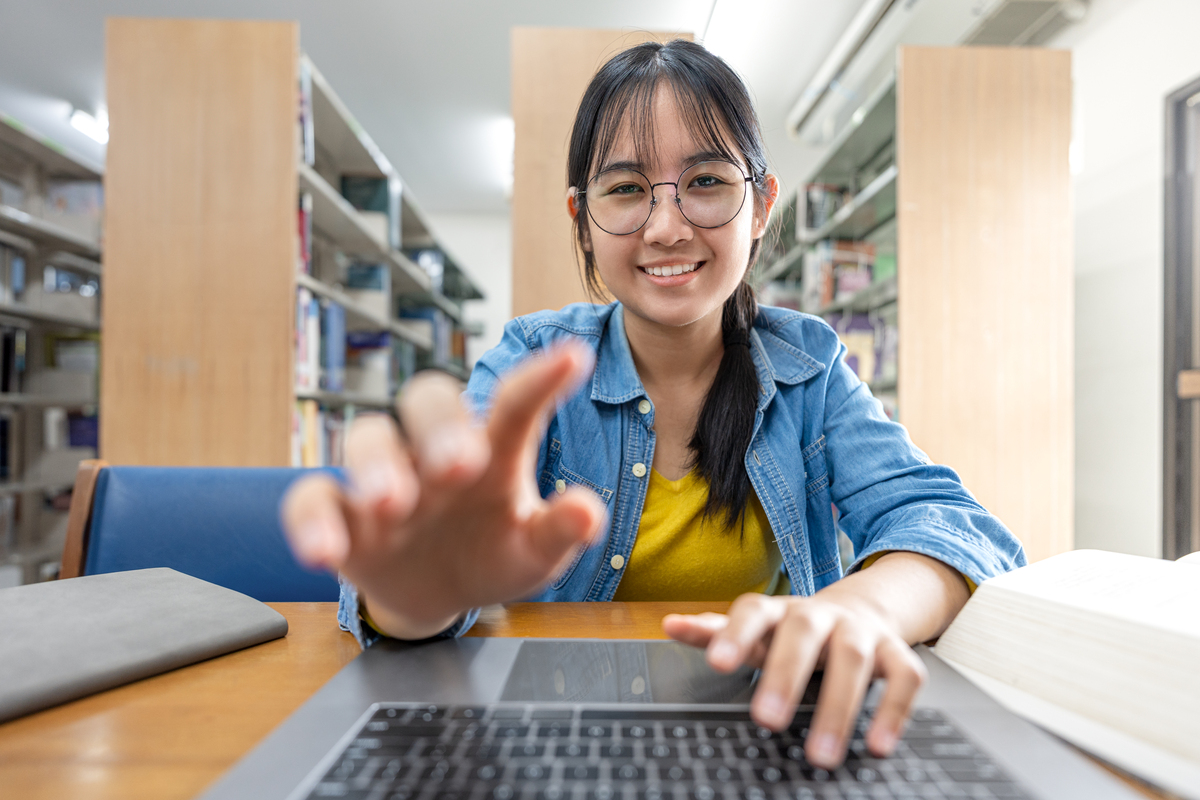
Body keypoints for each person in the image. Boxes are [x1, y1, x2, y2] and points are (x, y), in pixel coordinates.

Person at [281, 39, 1025, 771]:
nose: (667, 227)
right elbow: (432, 555)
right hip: (561, 737)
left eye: (705, 181)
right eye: (627, 189)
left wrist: (858, 609)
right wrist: (424, 596)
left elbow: (951, 527)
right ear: (582, 216)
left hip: (770, 733)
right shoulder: (535, 361)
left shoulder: (811, 367)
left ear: (761, 204)